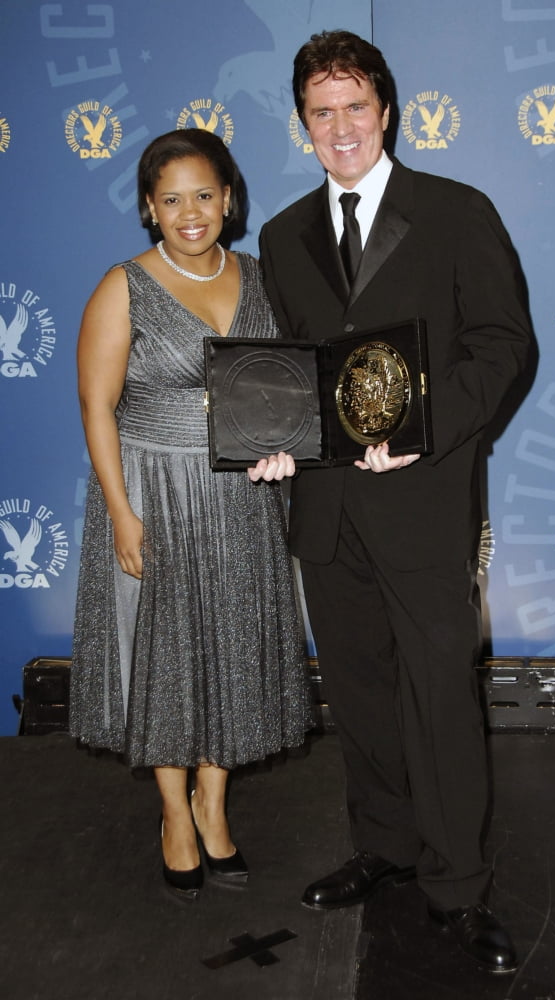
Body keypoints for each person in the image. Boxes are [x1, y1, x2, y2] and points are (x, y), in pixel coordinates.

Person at [259, 30, 536, 973]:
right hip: (326, 510)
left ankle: (458, 885)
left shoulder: (455, 212)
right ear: (302, 124)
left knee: (440, 696)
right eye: (320, 112)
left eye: (355, 106)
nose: (339, 127)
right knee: (361, 694)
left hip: (422, 501)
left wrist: (424, 428)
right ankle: (384, 845)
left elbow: (502, 345)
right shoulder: (282, 234)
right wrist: (272, 438)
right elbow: (294, 372)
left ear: (385, 111)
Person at [69, 128, 310, 904]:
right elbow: (97, 407)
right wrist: (120, 512)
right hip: (153, 492)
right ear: (149, 208)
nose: (190, 212)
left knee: (232, 648)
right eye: (171, 199)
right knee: (166, 654)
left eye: (204, 194)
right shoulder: (123, 287)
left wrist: (285, 451)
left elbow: (285, 387)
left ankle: (214, 803)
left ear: (228, 198)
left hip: (242, 497)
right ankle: (174, 814)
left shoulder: (262, 278)